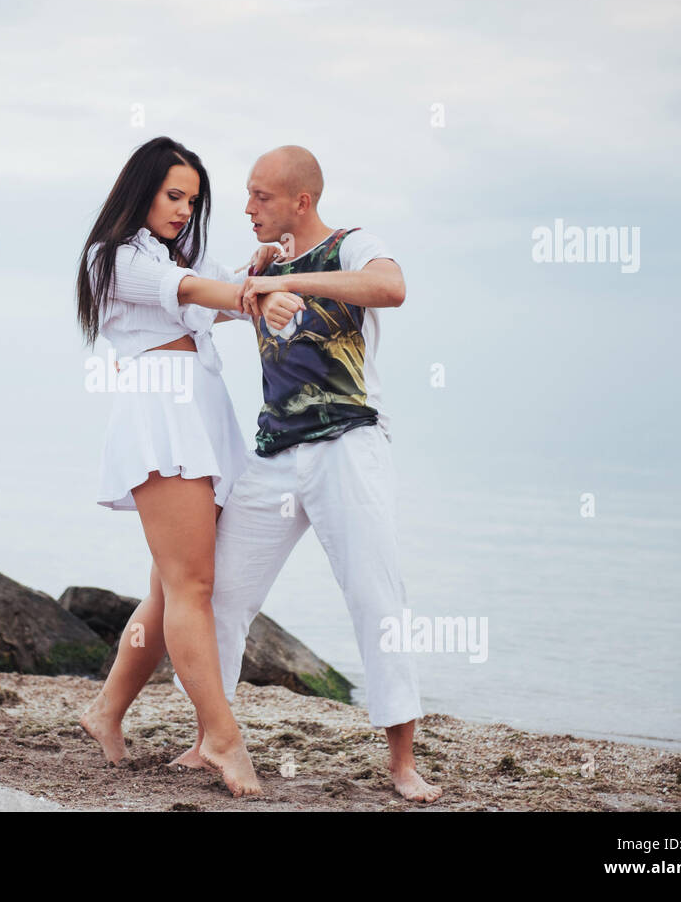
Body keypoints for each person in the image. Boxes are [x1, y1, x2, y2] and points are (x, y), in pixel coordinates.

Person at [176, 145, 444, 803]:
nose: (247, 208)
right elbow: (195, 307)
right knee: (220, 598)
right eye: (246, 195)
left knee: (376, 599)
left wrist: (286, 281)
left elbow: (393, 288)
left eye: (260, 197)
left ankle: (402, 762)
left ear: (302, 202)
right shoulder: (258, 269)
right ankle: (211, 735)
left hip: (349, 446)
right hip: (273, 456)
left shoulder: (353, 246)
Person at [73, 136, 303, 797]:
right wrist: (253, 292)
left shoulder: (171, 253)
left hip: (201, 409)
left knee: (171, 589)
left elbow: (206, 287)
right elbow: (193, 289)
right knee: (191, 586)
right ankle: (222, 737)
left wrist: (253, 269)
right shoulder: (113, 257)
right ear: (140, 187)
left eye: (193, 200)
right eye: (174, 194)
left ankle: (105, 711)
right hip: (163, 415)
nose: (183, 209)